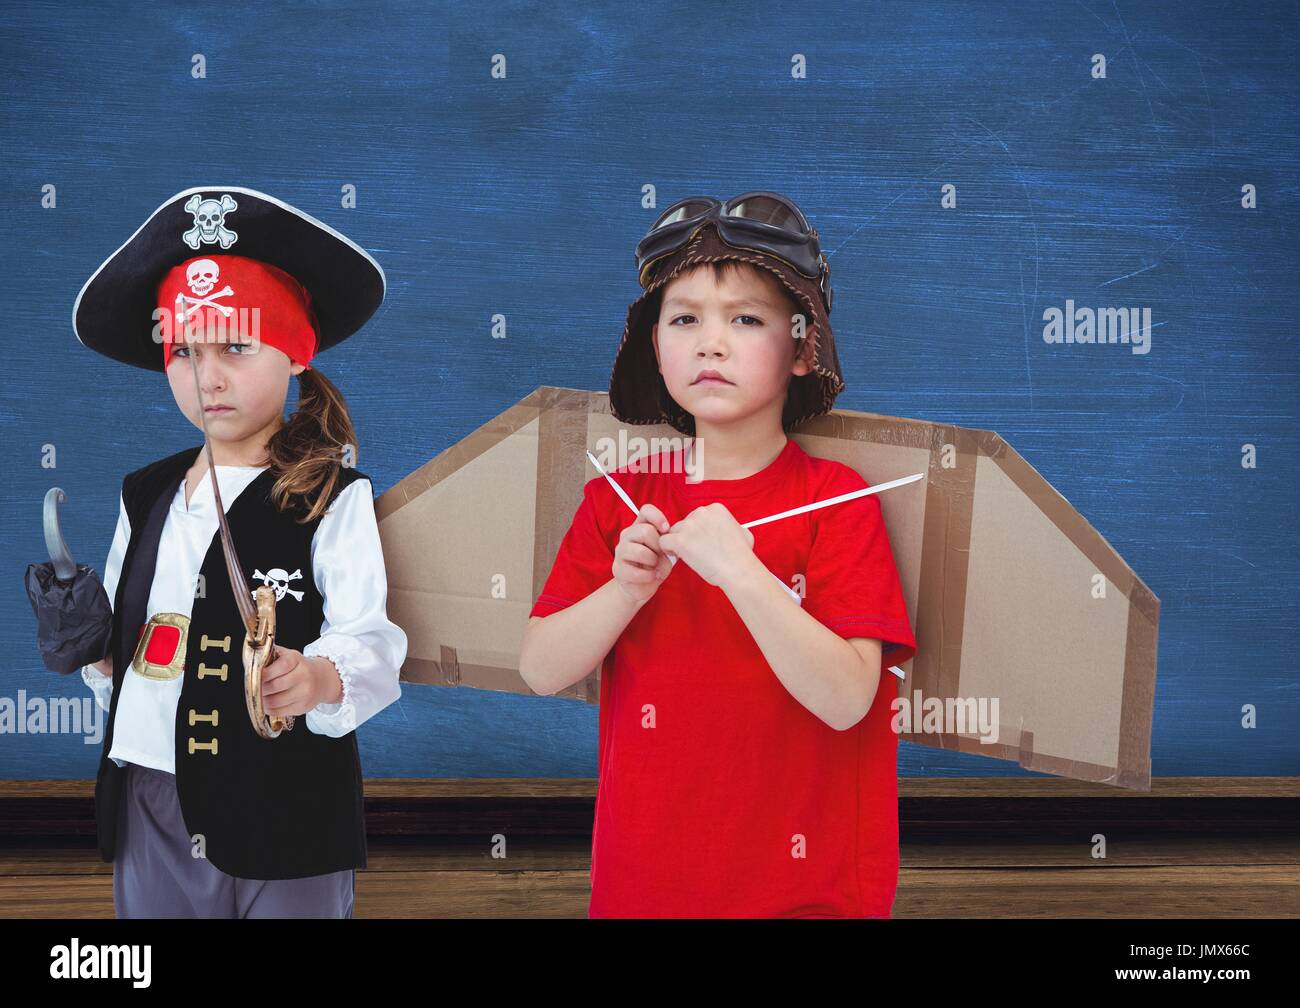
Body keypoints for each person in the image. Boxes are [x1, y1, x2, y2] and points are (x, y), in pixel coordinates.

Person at [521, 192, 917, 917]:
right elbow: (542, 669)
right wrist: (625, 590)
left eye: (745, 319)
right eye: (685, 319)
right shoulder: (621, 495)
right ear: (655, 348)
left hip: (808, 890)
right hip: (643, 886)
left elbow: (846, 700)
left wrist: (740, 571)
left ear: (802, 347)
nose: (712, 342)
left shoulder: (839, 499)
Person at [73, 186, 407, 918]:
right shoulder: (143, 494)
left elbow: (371, 641)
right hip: (151, 793)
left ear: (293, 355)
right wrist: (92, 649)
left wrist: (318, 679)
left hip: (285, 803)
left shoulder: (331, 495)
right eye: (184, 350)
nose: (207, 376)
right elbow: (134, 654)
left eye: (235, 345)